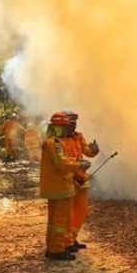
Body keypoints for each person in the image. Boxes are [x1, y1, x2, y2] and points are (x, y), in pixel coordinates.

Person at [40, 112, 90, 261]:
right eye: (65, 126)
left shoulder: (49, 141)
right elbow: (61, 164)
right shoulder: (55, 143)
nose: (69, 128)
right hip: (60, 186)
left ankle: (52, 247)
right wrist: (79, 165)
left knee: (54, 220)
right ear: (59, 127)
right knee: (60, 220)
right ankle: (57, 250)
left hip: (55, 187)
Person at [60, 111, 99, 252]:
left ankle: (72, 238)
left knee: (81, 210)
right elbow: (60, 161)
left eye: (75, 123)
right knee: (67, 213)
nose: (73, 126)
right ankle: (66, 242)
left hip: (81, 180)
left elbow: (87, 151)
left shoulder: (78, 136)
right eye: (70, 123)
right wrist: (76, 165)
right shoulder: (58, 140)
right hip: (67, 180)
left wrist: (94, 149)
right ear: (63, 124)